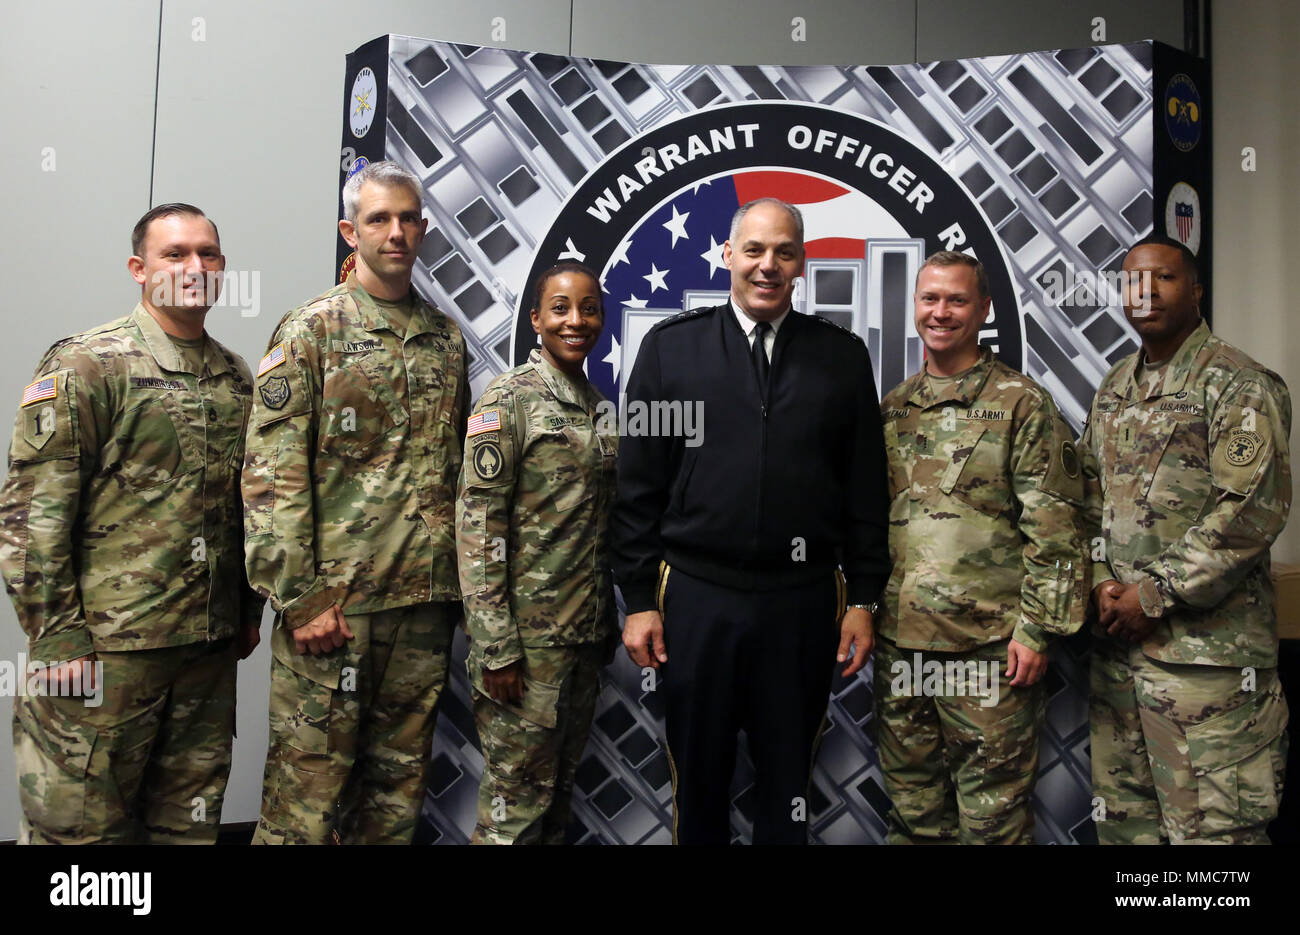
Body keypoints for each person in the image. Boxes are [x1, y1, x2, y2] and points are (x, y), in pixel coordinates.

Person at [611, 197, 889, 844]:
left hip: (804, 602)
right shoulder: (671, 349)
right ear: (729, 256)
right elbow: (637, 485)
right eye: (756, 250)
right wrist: (637, 599)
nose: (769, 265)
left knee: (789, 789)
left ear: (802, 264)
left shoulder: (840, 357)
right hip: (696, 598)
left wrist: (865, 596)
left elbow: (865, 493)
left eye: (784, 252)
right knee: (699, 784)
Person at [0, 203, 263, 844]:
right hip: (106, 655)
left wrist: (248, 611)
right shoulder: (88, 365)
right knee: (83, 842)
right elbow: (30, 512)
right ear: (139, 269)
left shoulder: (233, 377)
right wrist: (56, 637)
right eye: (175, 254)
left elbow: (250, 508)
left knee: (187, 830)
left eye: (209, 254)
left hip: (203, 656)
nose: (195, 267)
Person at [243, 160, 469, 844]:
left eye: (407, 218)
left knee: (395, 804)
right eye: (379, 219)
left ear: (423, 228)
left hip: (421, 610)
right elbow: (269, 474)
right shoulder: (311, 329)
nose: (395, 231)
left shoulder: (445, 338)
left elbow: (452, 469)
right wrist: (300, 596)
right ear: (351, 230)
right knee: (304, 806)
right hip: (335, 611)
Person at [1082, 235, 1290, 845]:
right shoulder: (1115, 387)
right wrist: (1101, 583)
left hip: (1208, 673)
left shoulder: (1240, 383)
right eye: (1132, 281)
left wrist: (1152, 593)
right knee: (1131, 842)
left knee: (1215, 849)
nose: (1144, 292)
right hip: (1120, 668)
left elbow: (1249, 513)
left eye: (1163, 279)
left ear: (1196, 291)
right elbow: (1088, 500)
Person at [875, 251, 1089, 844]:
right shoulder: (894, 407)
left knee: (992, 824)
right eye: (929, 298)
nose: (940, 312)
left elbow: (1058, 528)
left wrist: (1037, 632)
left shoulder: (1022, 404)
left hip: (989, 654)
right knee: (914, 816)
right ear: (914, 305)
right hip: (904, 649)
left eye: (957, 300)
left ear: (984, 309)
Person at [457, 261, 618, 844]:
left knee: (555, 808)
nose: (576, 321)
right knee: (514, 811)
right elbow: (478, 524)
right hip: (525, 652)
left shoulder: (598, 406)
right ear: (535, 320)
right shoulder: (510, 399)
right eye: (561, 308)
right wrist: (495, 645)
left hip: (581, 641)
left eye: (589, 308)